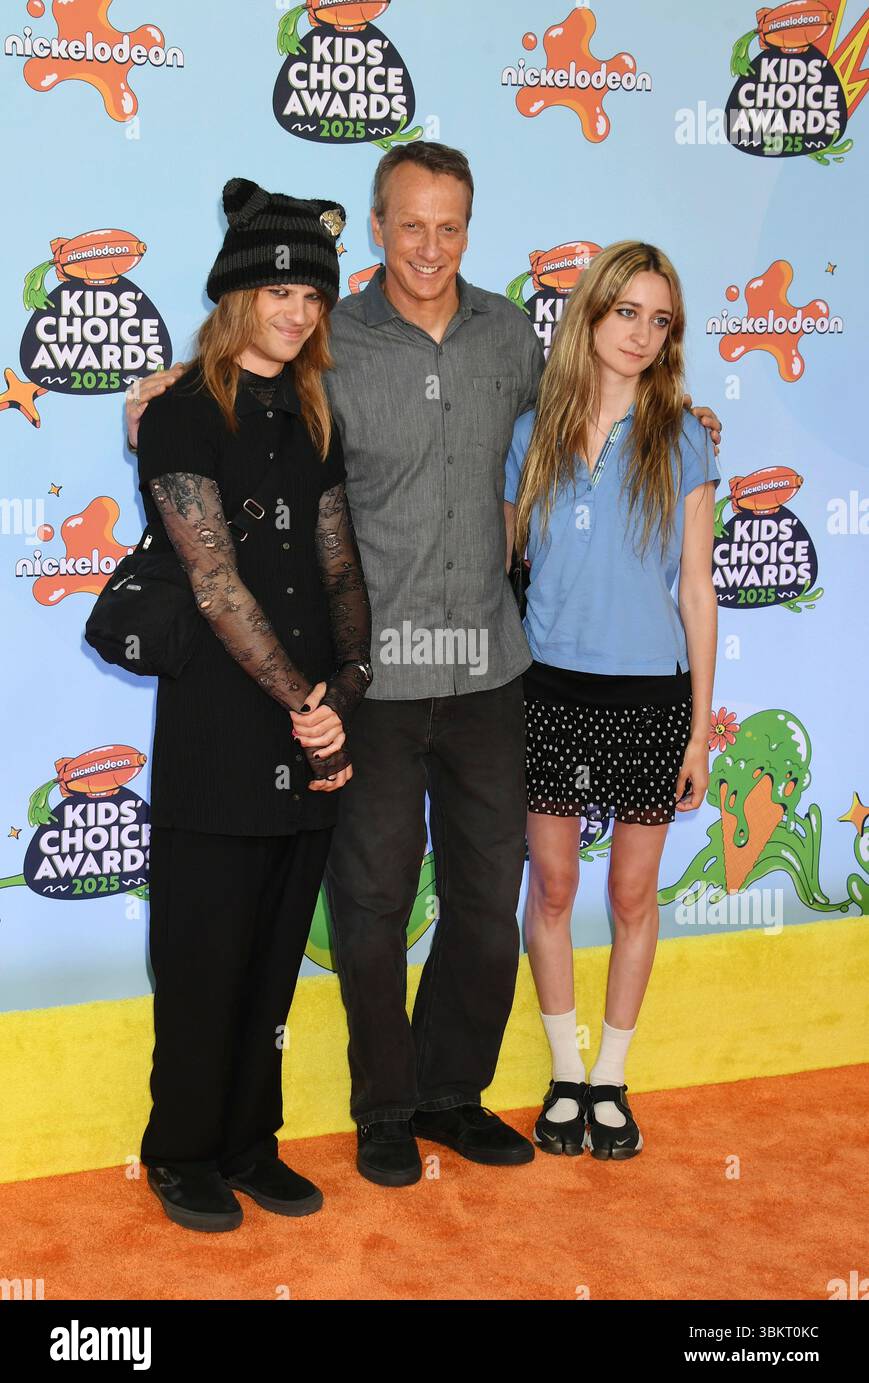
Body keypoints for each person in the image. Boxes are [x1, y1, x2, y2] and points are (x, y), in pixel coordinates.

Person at [127, 143, 721, 1191]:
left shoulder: (510, 337)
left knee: (491, 898)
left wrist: (686, 419)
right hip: (376, 675)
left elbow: (590, 408)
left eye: (449, 226)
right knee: (371, 900)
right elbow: (242, 388)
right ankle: (385, 1109)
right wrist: (169, 387)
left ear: (468, 230)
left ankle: (452, 1092)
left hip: (495, 668)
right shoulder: (328, 340)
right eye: (409, 224)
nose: (429, 247)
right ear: (375, 224)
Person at [132, 178, 372, 1231]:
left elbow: (341, 568)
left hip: (310, 730)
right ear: (237, 294)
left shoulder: (312, 416)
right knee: (203, 957)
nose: (297, 308)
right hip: (220, 732)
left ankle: (247, 1141)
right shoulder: (180, 414)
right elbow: (215, 582)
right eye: (279, 288)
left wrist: (345, 693)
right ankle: (179, 1150)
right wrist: (301, 701)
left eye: (312, 294)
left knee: (273, 960)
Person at [504, 240, 719, 1161]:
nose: (639, 332)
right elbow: (499, 558)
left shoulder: (685, 436)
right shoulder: (531, 432)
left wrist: (699, 734)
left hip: (649, 698)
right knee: (551, 888)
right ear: (589, 314)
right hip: (546, 686)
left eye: (658, 318)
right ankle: (563, 1073)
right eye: (625, 311)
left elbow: (697, 589)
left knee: (633, 894)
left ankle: (610, 1082)